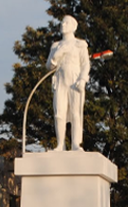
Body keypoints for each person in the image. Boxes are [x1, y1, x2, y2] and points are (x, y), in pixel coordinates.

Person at [46, 15, 90, 151]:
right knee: (59, 113)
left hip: (74, 79)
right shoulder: (56, 46)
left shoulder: (79, 44)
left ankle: (75, 144)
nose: (63, 25)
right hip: (60, 80)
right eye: (62, 22)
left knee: (76, 112)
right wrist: (57, 55)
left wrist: (83, 79)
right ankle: (60, 144)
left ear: (73, 26)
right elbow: (49, 66)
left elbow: (85, 64)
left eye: (66, 22)